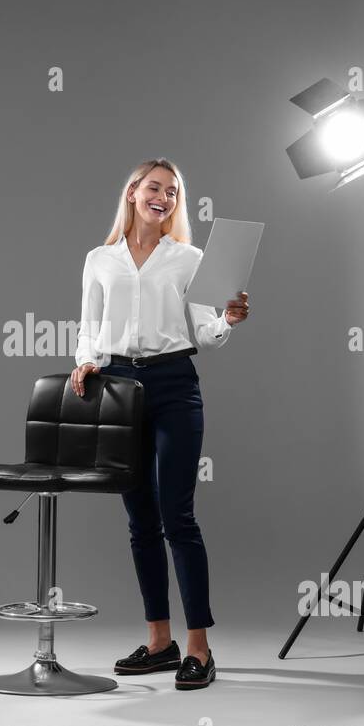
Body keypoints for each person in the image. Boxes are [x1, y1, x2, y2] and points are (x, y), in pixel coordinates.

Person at [70, 158, 250, 691]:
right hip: (117, 386)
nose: (164, 198)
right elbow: (88, 327)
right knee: (140, 521)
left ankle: (199, 648)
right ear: (132, 192)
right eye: (155, 187)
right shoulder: (100, 259)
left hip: (174, 383)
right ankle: (159, 643)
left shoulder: (189, 259)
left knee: (179, 516)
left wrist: (228, 320)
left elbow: (205, 333)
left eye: (173, 192)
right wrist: (86, 361)